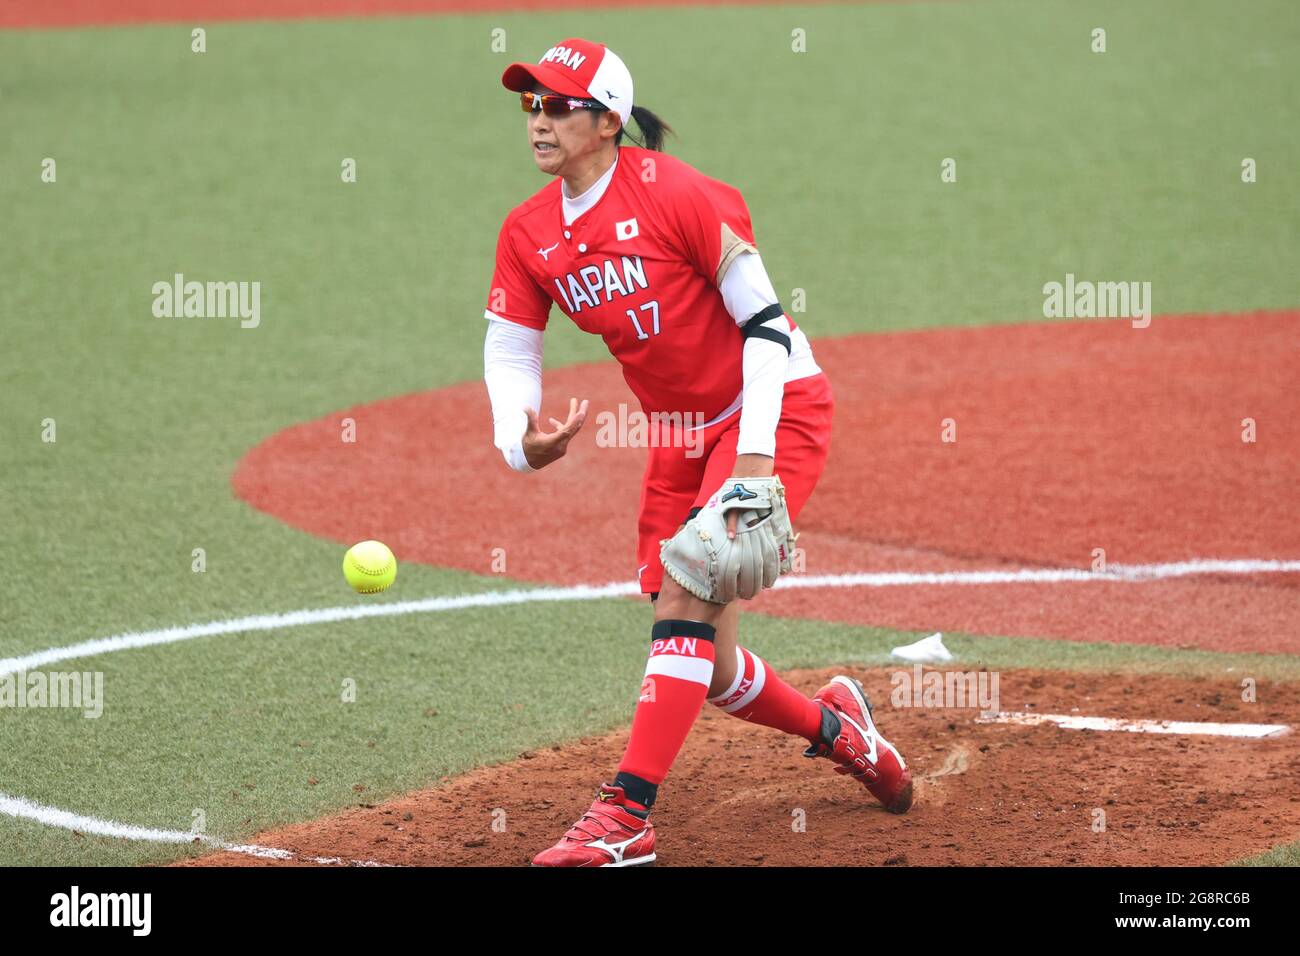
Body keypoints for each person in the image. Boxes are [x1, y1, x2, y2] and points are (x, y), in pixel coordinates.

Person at [482, 37, 912, 867]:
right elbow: (511, 345)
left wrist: (753, 460)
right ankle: (843, 732)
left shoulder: (678, 193)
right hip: (680, 434)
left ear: (609, 120)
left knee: (686, 596)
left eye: (558, 104)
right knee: (703, 661)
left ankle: (626, 815)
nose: (539, 119)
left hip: (770, 408)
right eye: (530, 103)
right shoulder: (529, 232)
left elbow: (765, 327)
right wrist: (517, 438)